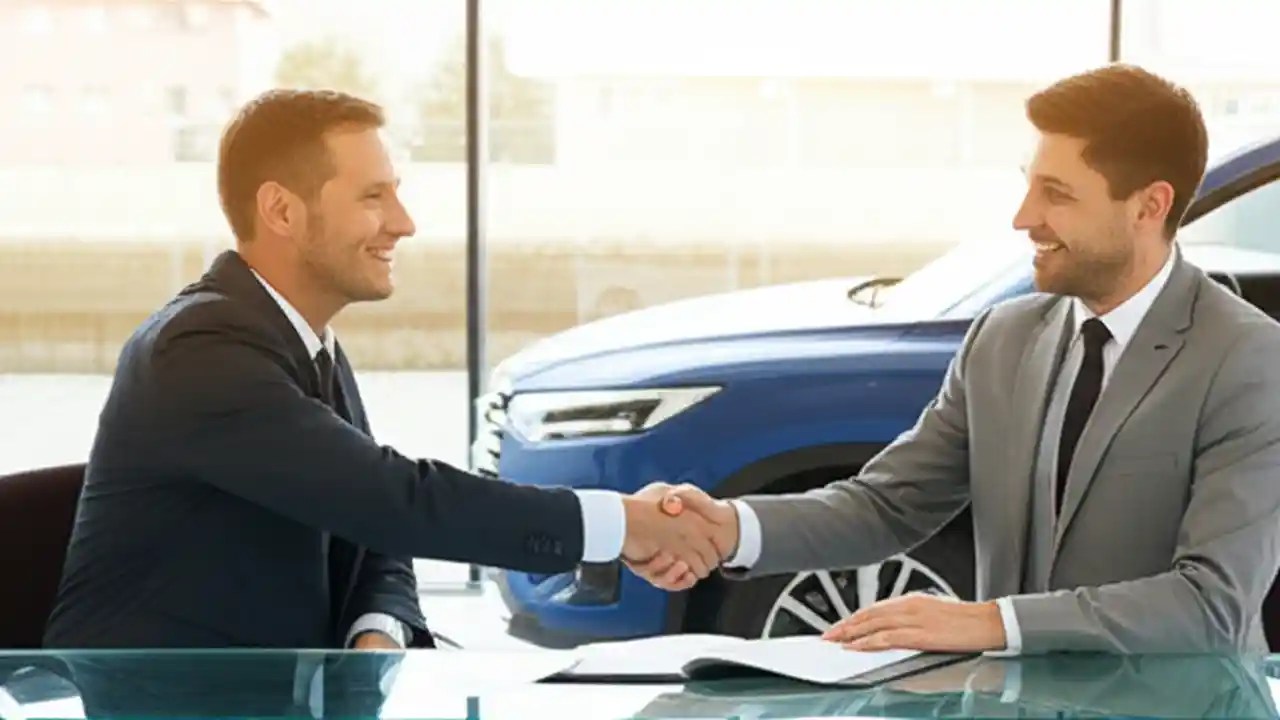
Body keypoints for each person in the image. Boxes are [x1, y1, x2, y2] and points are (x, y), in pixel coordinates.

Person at [43, 89, 727, 650]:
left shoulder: (306, 341)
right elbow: (396, 500)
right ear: (281, 209)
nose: (403, 222)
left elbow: (373, 529)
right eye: (373, 197)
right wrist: (624, 525)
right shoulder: (201, 350)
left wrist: (379, 630)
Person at [634, 63, 1280, 654]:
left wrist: (988, 622)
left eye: (1056, 193)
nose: (1024, 217)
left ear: (1150, 205)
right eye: (1027, 187)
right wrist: (726, 528)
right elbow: (889, 505)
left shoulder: (1249, 359)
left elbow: (1210, 603)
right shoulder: (1003, 337)